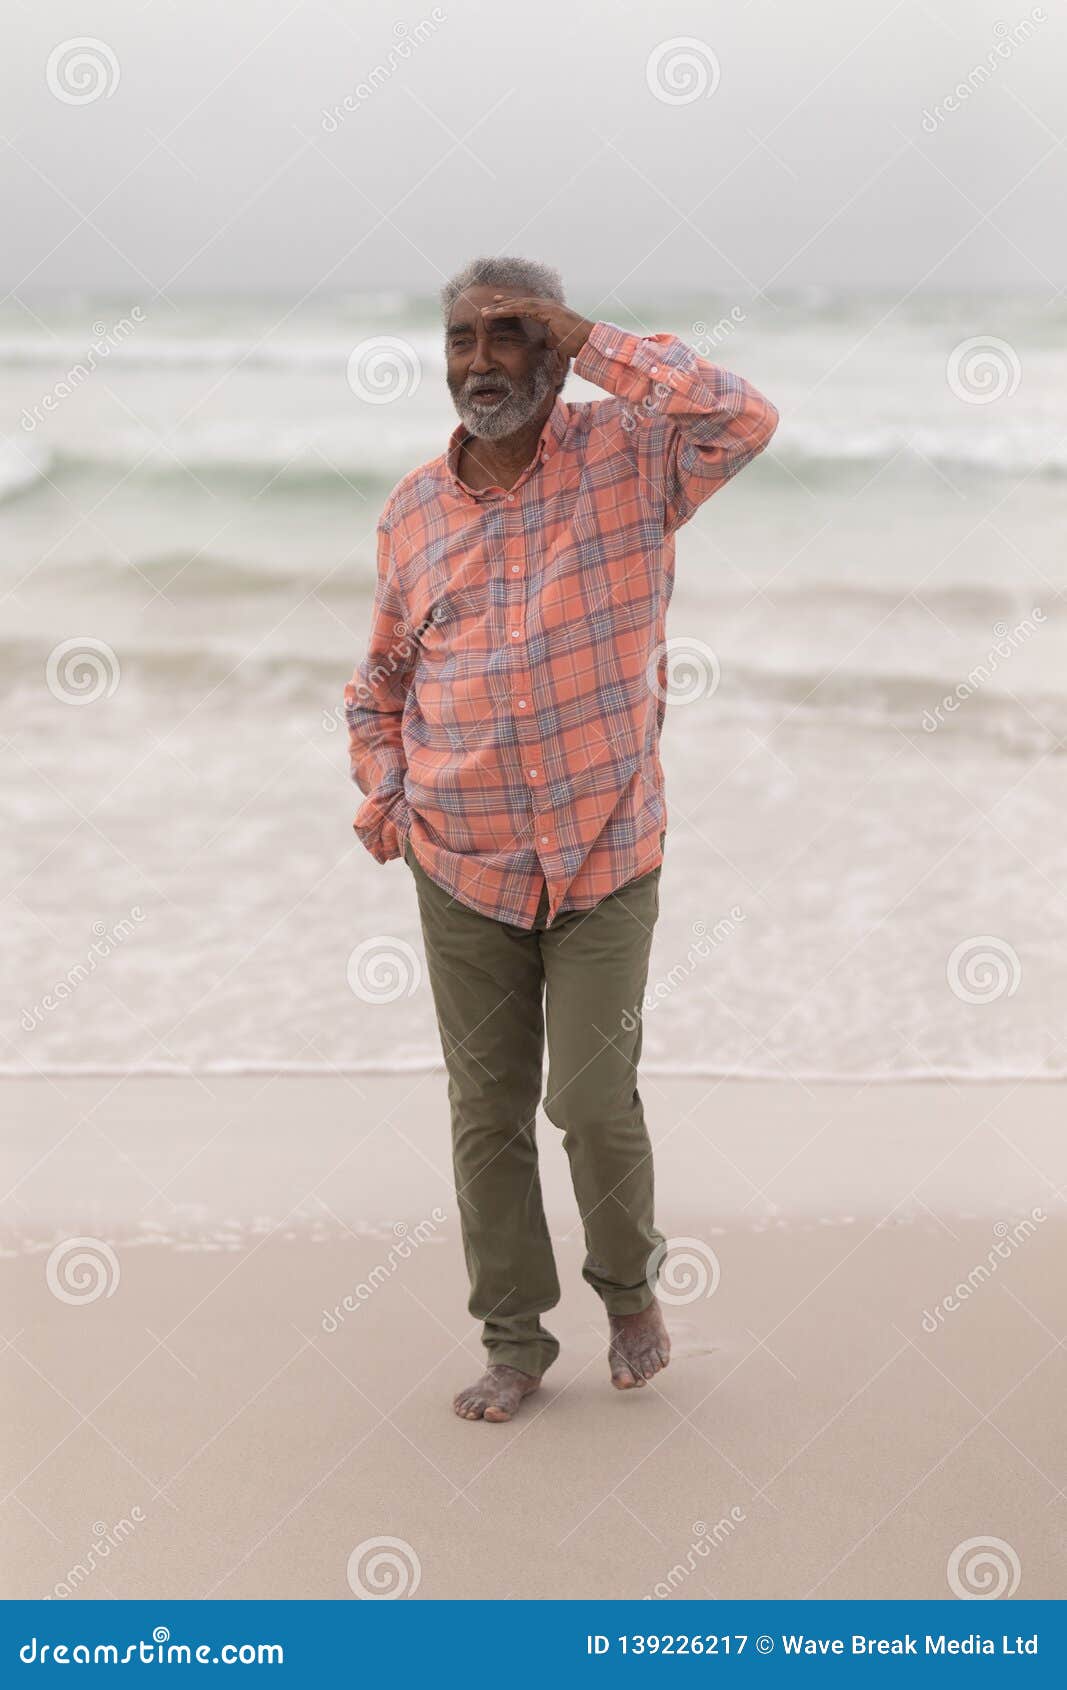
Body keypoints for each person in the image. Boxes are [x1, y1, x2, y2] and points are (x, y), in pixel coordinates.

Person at [344, 255, 778, 1423]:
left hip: (604, 852)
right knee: (485, 1115)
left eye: (508, 335)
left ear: (551, 349)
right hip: (460, 860)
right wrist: (388, 792)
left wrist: (592, 338)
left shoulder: (632, 459)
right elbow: (378, 684)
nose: (479, 361)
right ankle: (512, 1339)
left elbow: (742, 417)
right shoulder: (411, 512)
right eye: (460, 340)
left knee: (589, 1098)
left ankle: (628, 1294)